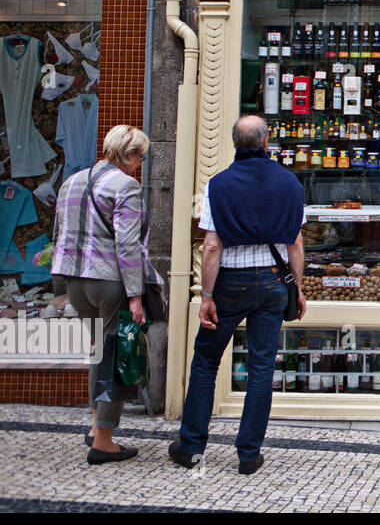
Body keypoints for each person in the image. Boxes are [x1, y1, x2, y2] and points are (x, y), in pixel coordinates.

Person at [169, 115, 305, 476]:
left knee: (206, 361)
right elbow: (295, 242)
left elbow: (211, 246)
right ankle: (248, 454)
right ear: (266, 142)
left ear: (235, 143)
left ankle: (191, 445)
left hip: (230, 283)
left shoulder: (218, 185)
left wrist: (207, 295)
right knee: (262, 367)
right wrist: (299, 287)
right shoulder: (290, 183)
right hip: (274, 283)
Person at [50, 124, 154, 465]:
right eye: (140, 157)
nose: (140, 163)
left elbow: (59, 232)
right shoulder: (127, 185)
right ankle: (104, 442)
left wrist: (59, 287)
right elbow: (127, 244)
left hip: (75, 280)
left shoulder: (72, 181)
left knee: (99, 351)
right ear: (131, 155)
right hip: (109, 280)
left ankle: (97, 428)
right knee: (114, 354)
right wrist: (136, 295)